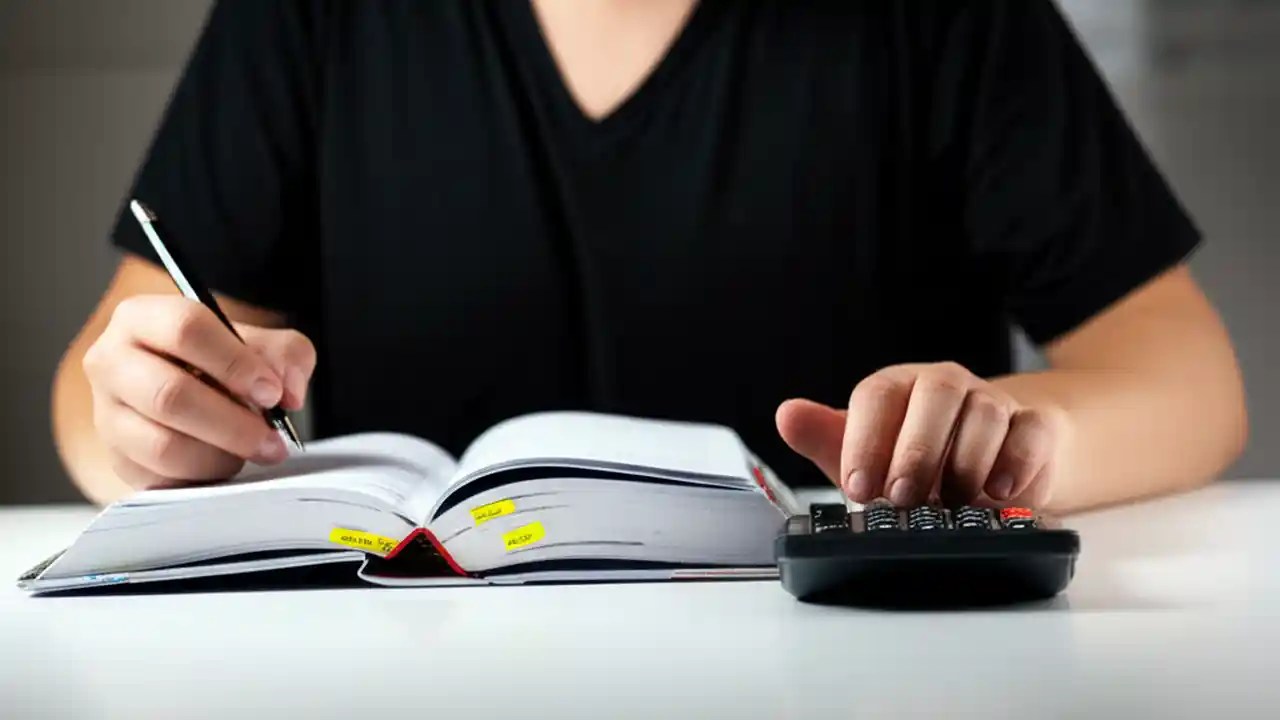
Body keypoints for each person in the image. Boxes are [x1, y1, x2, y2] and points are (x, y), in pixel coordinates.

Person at [52, 0, 1248, 514]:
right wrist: (146, 431)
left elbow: (1187, 376)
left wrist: (1023, 442)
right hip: (417, 675)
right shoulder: (312, 16)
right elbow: (104, 378)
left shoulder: (936, 16)